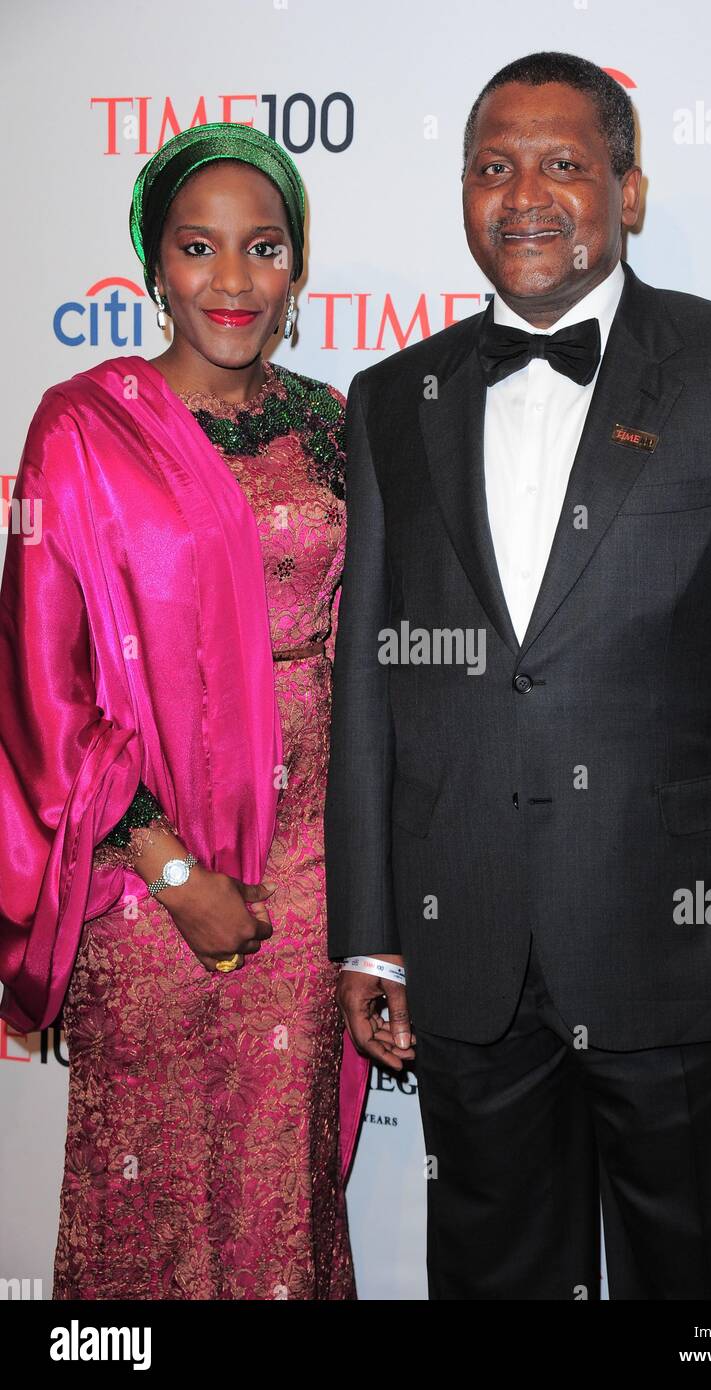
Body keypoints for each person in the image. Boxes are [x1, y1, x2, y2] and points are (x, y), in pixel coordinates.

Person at [325, 52, 711, 1299]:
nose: (526, 194)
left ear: (629, 188)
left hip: (687, 964)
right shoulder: (393, 397)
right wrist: (373, 936)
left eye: (564, 163)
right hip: (469, 963)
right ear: (461, 190)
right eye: (494, 166)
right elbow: (371, 684)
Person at [0, 121, 368, 1300]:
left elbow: (374, 656)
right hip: (141, 886)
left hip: (310, 884)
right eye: (198, 247)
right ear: (153, 265)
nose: (232, 280)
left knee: (282, 1205)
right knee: (144, 1201)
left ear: (297, 268)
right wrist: (169, 873)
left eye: (263, 248)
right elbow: (38, 682)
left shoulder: (335, 423)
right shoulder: (81, 427)